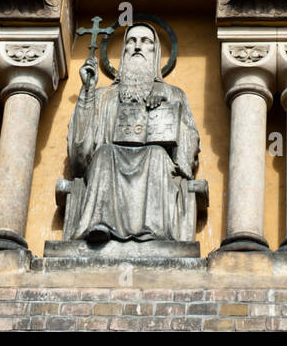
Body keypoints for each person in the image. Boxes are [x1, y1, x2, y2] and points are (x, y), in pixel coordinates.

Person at [66, 23, 200, 243]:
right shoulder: (103, 95)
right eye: (132, 41)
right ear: (124, 50)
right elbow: (81, 148)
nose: (138, 46)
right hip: (110, 158)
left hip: (155, 160)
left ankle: (153, 229)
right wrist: (88, 91)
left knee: (156, 155)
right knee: (104, 154)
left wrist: (166, 107)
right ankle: (101, 223)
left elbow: (190, 136)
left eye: (145, 41)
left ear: (155, 52)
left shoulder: (174, 93)